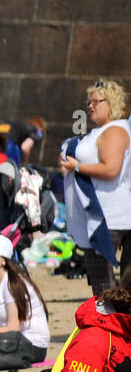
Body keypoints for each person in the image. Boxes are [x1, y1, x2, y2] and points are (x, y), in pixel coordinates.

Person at [60, 79, 131, 296]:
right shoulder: (101, 131)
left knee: (103, 284)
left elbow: (111, 169)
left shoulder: (115, 131)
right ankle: (108, 323)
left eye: (95, 101)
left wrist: (78, 166)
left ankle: (109, 325)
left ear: (111, 103)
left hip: (109, 217)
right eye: (88, 101)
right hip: (100, 217)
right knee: (101, 282)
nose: (90, 105)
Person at [0, 251, 50, 369]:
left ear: (3, 261)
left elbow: (14, 327)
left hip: (31, 344)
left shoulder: (13, 283)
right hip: (5, 339)